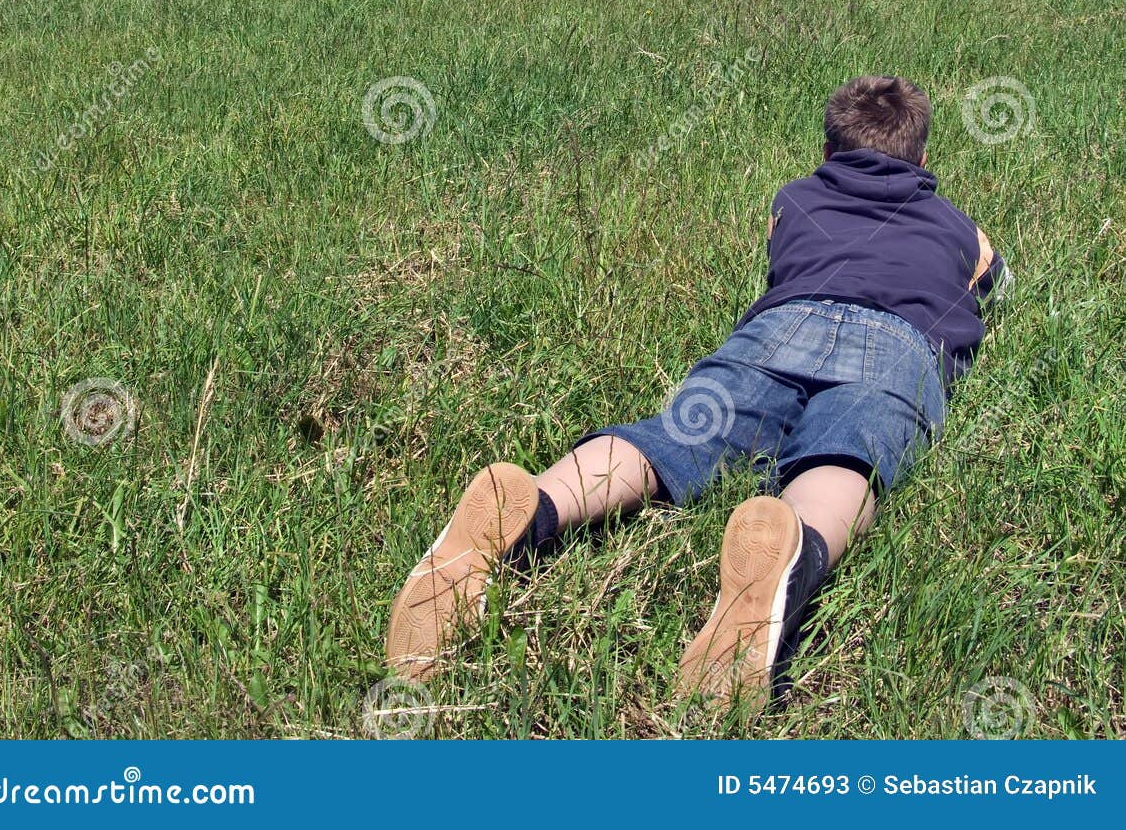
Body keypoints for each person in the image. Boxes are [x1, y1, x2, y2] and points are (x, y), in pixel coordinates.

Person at [384, 74, 1007, 707]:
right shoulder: (956, 224)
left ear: (828, 153)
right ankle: (792, 557)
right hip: (894, 341)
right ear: (924, 160)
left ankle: (534, 507)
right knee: (845, 451)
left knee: (674, 436)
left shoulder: (793, 199)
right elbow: (991, 278)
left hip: (780, 328)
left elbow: (781, 251)